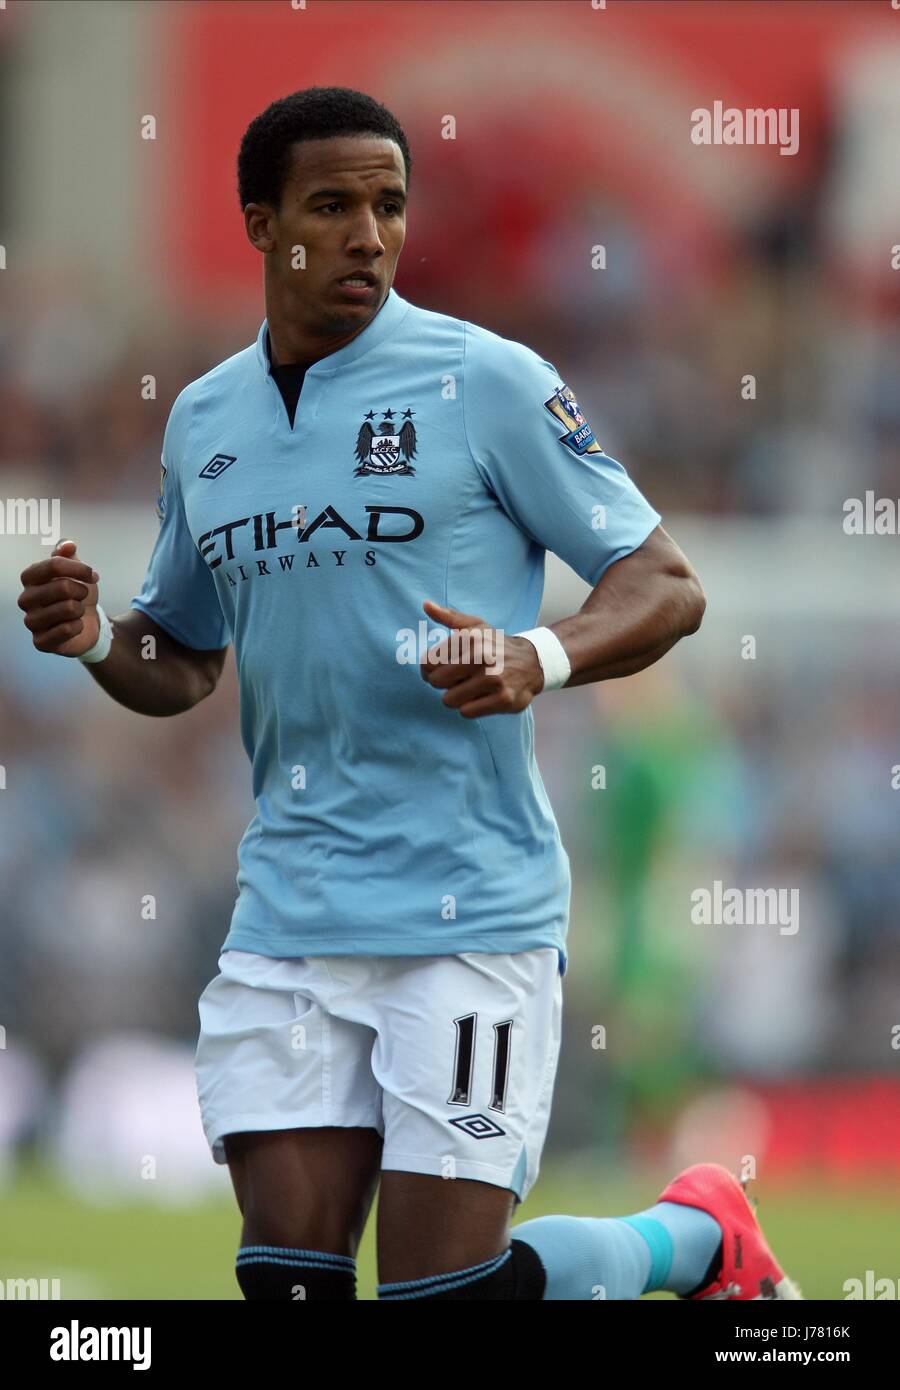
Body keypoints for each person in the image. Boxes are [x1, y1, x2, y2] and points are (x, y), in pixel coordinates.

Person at [17, 86, 800, 1302]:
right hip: (289, 913)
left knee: (445, 1299)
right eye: (331, 207)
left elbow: (666, 583)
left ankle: (694, 1234)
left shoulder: (484, 380)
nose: (369, 235)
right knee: (290, 1284)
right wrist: (93, 638)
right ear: (258, 220)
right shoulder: (204, 421)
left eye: (387, 205)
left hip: (466, 913)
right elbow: (183, 657)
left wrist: (533, 656)